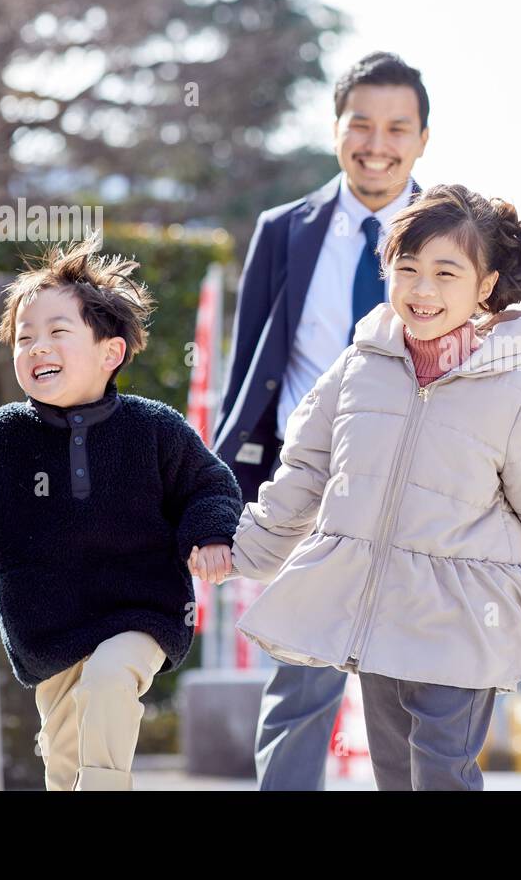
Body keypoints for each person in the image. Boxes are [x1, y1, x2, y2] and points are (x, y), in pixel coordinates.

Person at [225, 184, 521, 790]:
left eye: (447, 273)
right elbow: (306, 472)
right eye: (408, 268)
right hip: (379, 609)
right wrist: (246, 548)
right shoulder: (357, 369)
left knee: (442, 766)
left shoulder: (511, 393)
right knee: (396, 774)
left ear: (486, 285)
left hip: (466, 617)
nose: (423, 290)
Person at [0, 237, 243, 790]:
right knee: (64, 754)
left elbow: (209, 485)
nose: (37, 348)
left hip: (141, 613)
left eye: (57, 333)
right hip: (48, 633)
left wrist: (212, 534)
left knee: (107, 682)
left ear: (110, 353)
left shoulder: (152, 428)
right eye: (24, 339)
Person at [211, 51, 430, 789]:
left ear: (423, 139)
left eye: (398, 127)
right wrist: (222, 491)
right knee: (300, 688)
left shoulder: (458, 235)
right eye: (361, 124)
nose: (378, 143)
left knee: (404, 693)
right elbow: (248, 378)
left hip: (414, 493)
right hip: (308, 489)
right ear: (335, 128)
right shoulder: (284, 231)